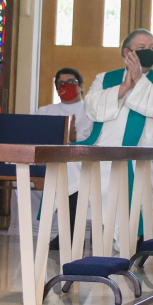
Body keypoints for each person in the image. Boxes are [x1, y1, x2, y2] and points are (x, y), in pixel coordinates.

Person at [81, 30, 153, 218]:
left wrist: (139, 81)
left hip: (143, 154)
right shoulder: (105, 79)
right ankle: (67, 233)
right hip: (103, 151)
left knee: (136, 175)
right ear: (127, 53)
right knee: (71, 169)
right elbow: (92, 107)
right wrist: (124, 87)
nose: (148, 51)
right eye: (141, 48)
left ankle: (136, 238)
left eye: (151, 48)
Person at [34, 67, 93, 248]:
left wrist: (75, 140)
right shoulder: (45, 112)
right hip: (51, 162)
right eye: (61, 83)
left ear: (81, 86)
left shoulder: (92, 112)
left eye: (71, 83)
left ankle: (69, 233)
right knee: (66, 168)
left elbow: (97, 140)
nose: (66, 86)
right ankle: (71, 234)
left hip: (85, 162)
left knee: (70, 168)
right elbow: (35, 139)